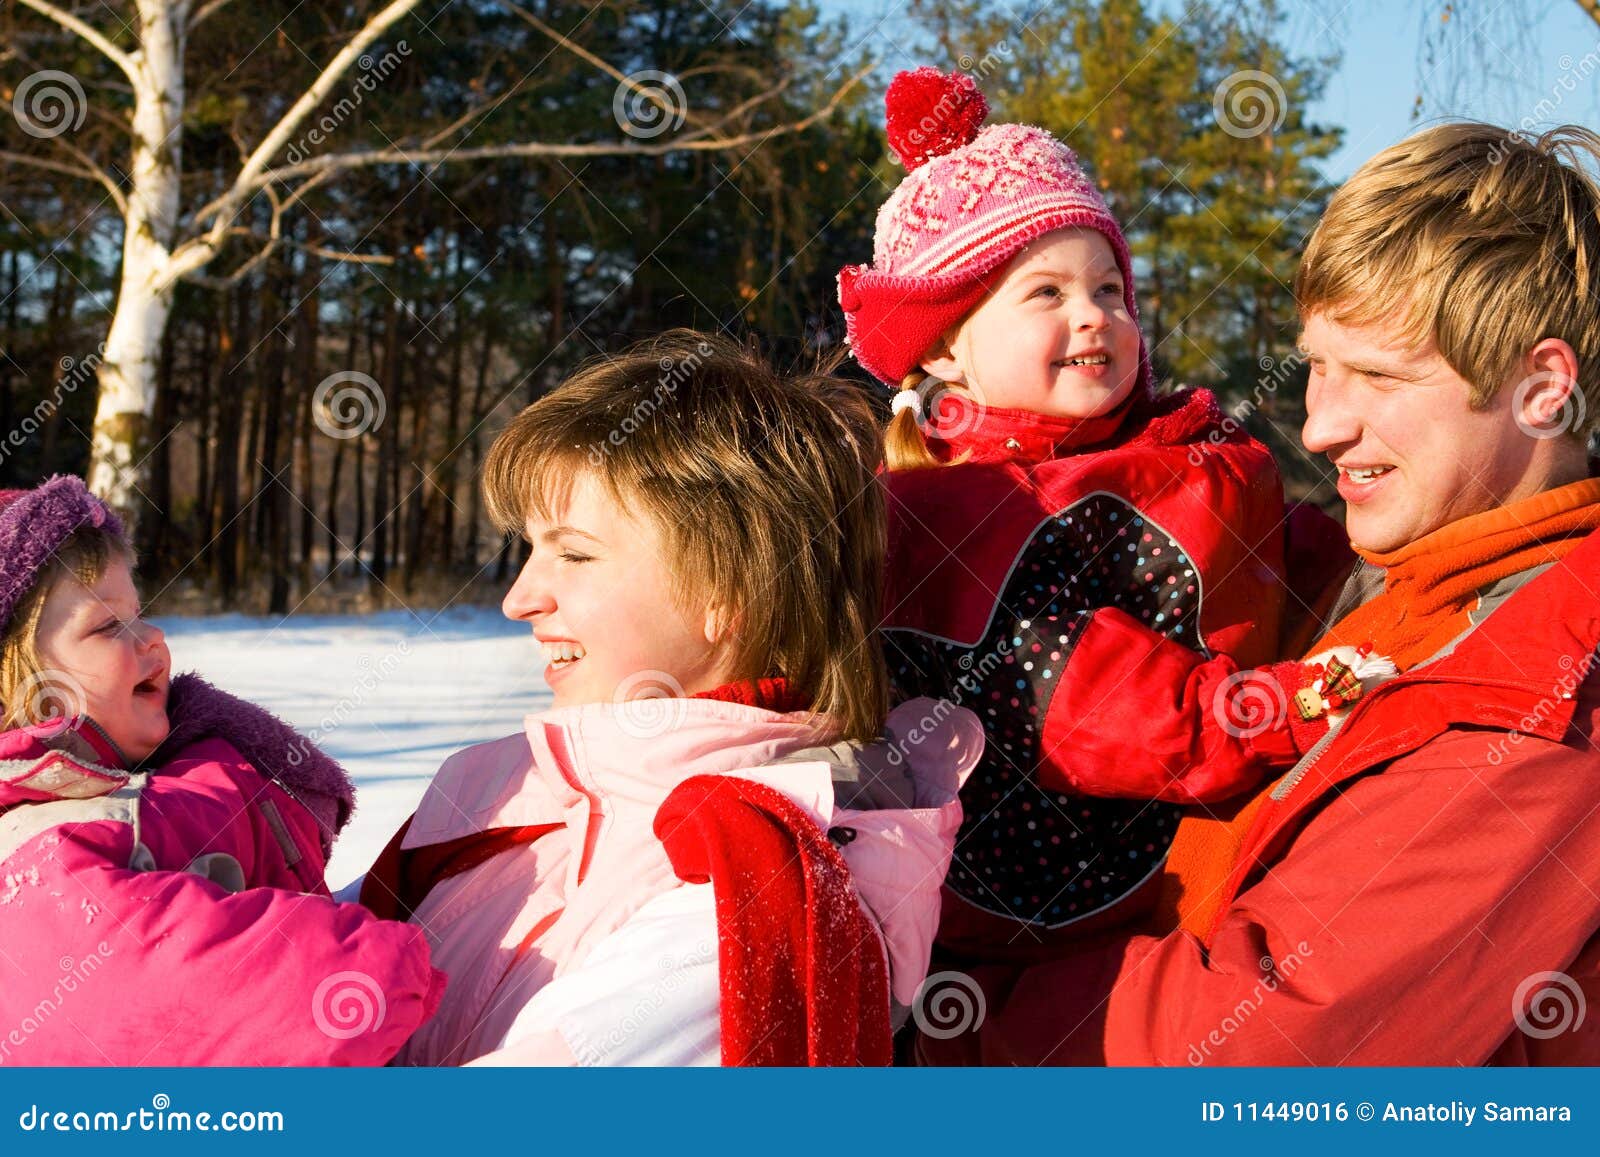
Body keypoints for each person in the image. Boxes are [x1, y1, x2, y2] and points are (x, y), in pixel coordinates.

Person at [934, 121, 1600, 1065]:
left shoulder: (1540, 697)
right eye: (1318, 365)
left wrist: (941, 1017)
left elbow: (1259, 1041)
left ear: (1542, 388)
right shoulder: (1361, 572)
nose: (1320, 424)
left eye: (1377, 373)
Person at [362, 332, 981, 1066]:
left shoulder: (755, 878)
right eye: (529, 550)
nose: (519, 598)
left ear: (729, 589)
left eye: (575, 553)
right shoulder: (506, 799)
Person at [838, 67, 1313, 963]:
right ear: (944, 345)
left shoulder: (1168, 449)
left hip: (1208, 848)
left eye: (1108, 290)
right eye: (1045, 294)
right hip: (1068, 928)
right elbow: (1085, 696)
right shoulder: (961, 508)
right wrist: (1287, 705)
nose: (1095, 317)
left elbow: (1265, 557)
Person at [0, 474, 444, 1065]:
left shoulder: (149, 784)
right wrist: (411, 958)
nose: (153, 637)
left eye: (140, 614)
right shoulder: (43, 858)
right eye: (108, 627)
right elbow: (327, 996)